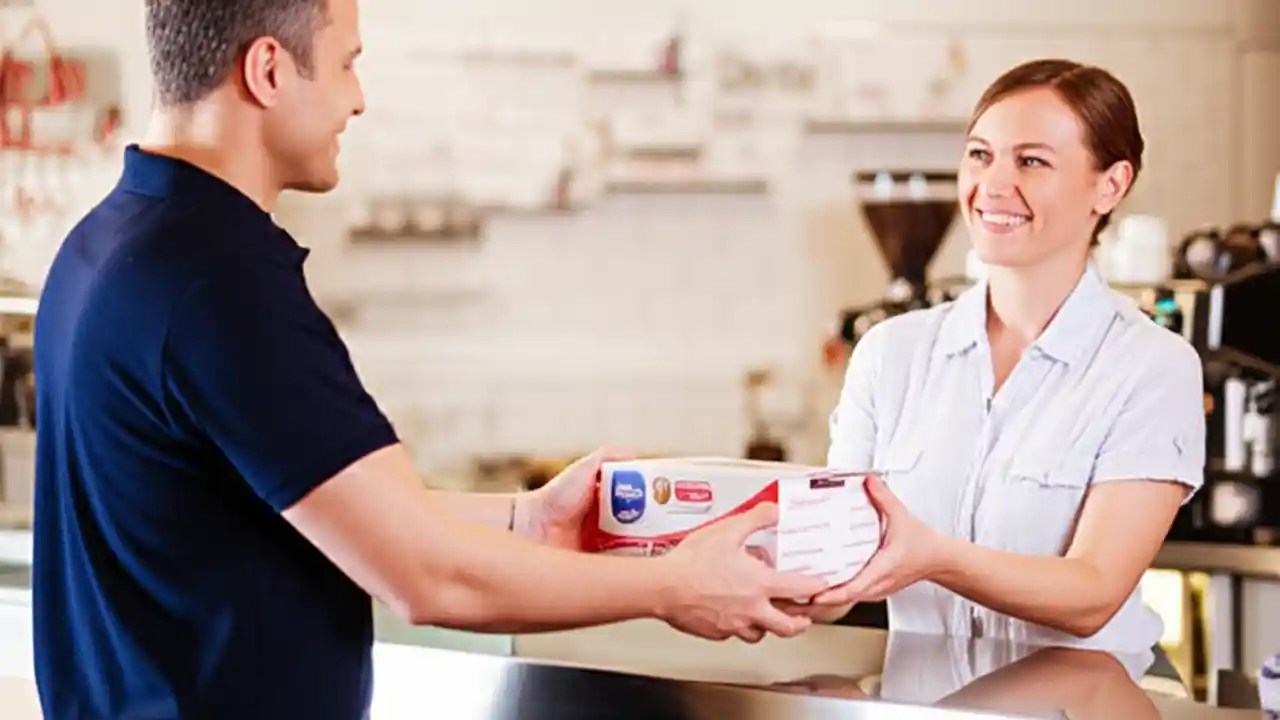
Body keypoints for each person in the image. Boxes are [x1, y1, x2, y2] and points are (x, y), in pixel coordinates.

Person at [30, 1, 826, 718]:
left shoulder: (111, 243)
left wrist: (526, 518)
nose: (358, 99)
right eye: (347, 63)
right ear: (269, 70)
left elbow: (331, 506)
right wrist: (673, 586)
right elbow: (424, 576)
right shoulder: (218, 284)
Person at [809, 58, 1206, 655]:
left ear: (1111, 185)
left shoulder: (1152, 367)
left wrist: (933, 557)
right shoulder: (890, 354)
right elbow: (837, 576)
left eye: (1031, 160)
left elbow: (1093, 593)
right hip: (920, 705)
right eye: (979, 154)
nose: (992, 185)